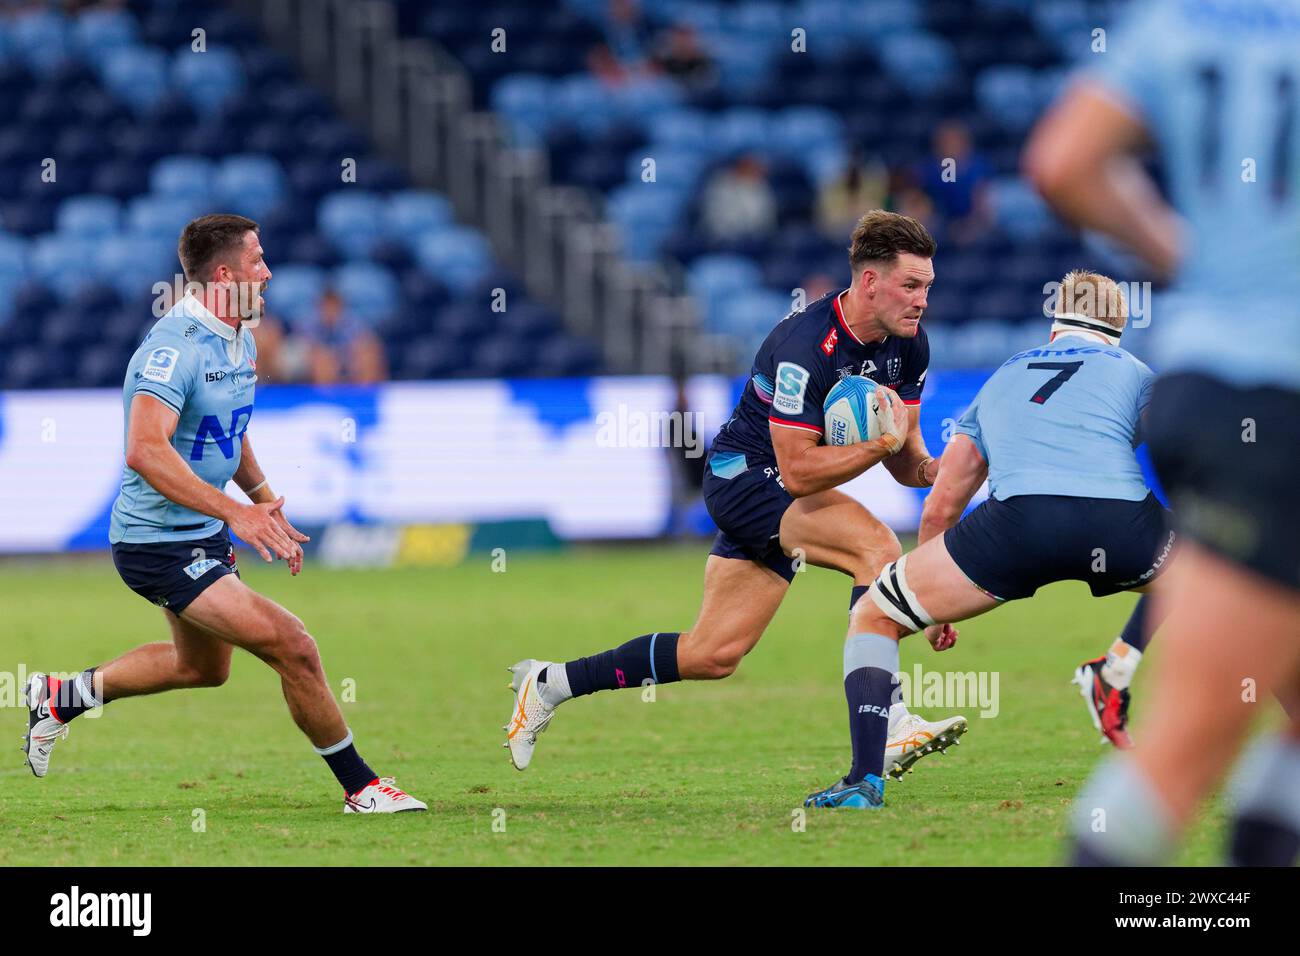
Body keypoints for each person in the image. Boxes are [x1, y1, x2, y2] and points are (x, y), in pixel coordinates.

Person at [505, 211, 967, 788]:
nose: (923, 300)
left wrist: (943, 466)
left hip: (783, 493)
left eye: (927, 285)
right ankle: (891, 718)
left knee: (713, 654)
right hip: (743, 477)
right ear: (870, 282)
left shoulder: (909, 347)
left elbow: (905, 462)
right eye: (911, 285)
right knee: (873, 545)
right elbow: (798, 473)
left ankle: (550, 683)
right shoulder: (804, 345)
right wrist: (881, 444)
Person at [22, 214, 424, 814]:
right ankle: (361, 787)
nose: (268, 271)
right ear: (225, 273)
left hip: (203, 533)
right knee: (294, 645)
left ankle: (62, 695)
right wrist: (237, 513)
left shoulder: (239, 334)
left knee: (201, 669)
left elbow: (226, 432)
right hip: (156, 543)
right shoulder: (170, 349)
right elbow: (144, 450)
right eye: (258, 260)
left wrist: (262, 499)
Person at [1025, 0, 1300, 866]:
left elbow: (1064, 162)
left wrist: (1191, 260)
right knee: (1185, 751)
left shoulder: (1173, 21)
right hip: (1283, 396)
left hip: (1207, 379)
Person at [807, 270, 1174, 808]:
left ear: (1053, 330)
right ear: (1118, 330)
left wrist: (935, 612)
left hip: (1016, 528)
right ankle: (1117, 666)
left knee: (874, 616)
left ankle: (865, 781)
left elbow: (943, 503)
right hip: (1118, 523)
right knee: (1243, 588)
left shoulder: (1004, 377)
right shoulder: (1138, 373)